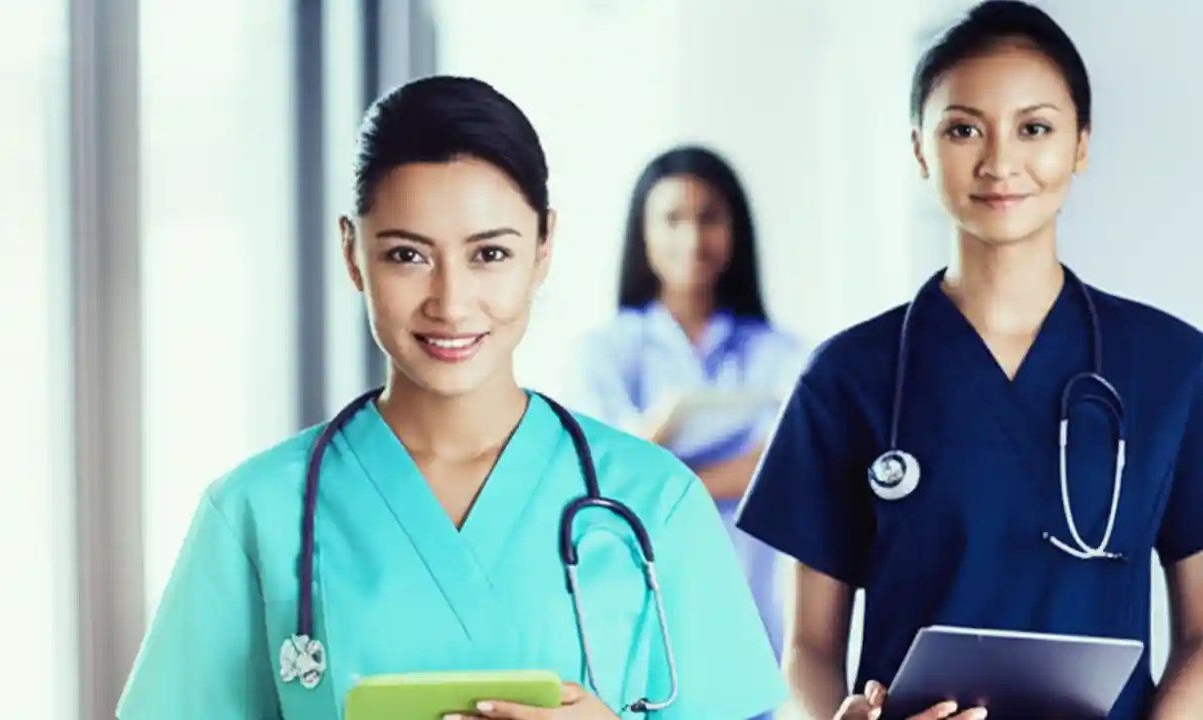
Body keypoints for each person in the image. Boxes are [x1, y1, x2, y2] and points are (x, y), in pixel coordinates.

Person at [116, 76, 786, 720]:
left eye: (489, 254)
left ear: (544, 247)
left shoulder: (656, 503)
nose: (451, 302)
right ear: (352, 252)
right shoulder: (256, 513)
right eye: (407, 255)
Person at [735, 2, 1203, 719]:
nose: (999, 162)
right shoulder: (849, 377)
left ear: (1081, 144)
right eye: (962, 129)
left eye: (1034, 128)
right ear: (920, 150)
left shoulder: (1172, 368)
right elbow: (809, 650)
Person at [568, 146, 806, 679]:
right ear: (643, 232)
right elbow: (597, 480)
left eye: (709, 218)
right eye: (672, 219)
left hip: (751, 618)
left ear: (735, 229)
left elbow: (785, 468)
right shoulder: (603, 353)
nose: (692, 238)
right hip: (634, 623)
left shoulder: (782, 353)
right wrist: (712, 467)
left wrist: (656, 467)